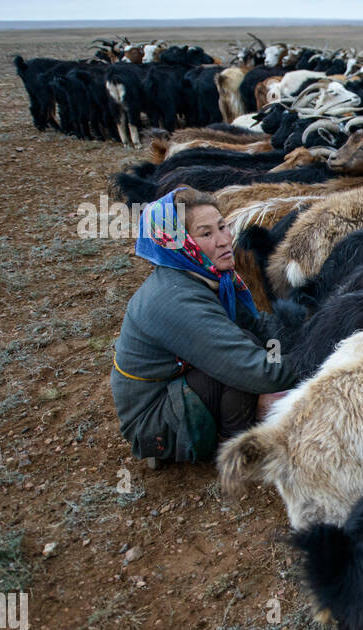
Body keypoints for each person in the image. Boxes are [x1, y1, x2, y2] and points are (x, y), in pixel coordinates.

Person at [110, 187, 297, 464]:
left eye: (223, 227)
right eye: (206, 234)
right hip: (154, 427)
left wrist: (305, 332)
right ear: (179, 243)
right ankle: (236, 447)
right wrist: (312, 358)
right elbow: (263, 372)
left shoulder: (208, 279)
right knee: (238, 365)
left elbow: (259, 325)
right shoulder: (177, 300)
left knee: (246, 339)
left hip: (176, 386)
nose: (224, 241)